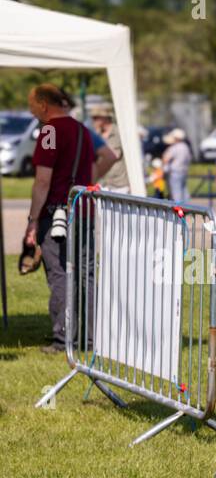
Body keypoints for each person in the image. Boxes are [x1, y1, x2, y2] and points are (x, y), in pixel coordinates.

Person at [22, 83, 118, 353]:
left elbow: (43, 180)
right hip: (83, 208)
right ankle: (88, 338)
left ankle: (63, 338)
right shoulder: (82, 130)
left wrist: (33, 218)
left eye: (32, 105)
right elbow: (103, 160)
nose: (32, 111)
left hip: (57, 213)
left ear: (43, 104)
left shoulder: (50, 131)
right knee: (85, 273)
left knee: (61, 274)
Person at [89, 104, 130, 194]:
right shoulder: (97, 135)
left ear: (105, 118)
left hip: (119, 185)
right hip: (102, 185)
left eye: (96, 118)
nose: (93, 121)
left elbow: (114, 155)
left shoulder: (118, 132)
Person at [162, 128, 191, 203]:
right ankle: (186, 209)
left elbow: (166, 159)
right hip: (183, 171)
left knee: (176, 193)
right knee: (184, 192)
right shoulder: (185, 147)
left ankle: (179, 212)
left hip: (174, 172)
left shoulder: (174, 147)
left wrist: (164, 169)